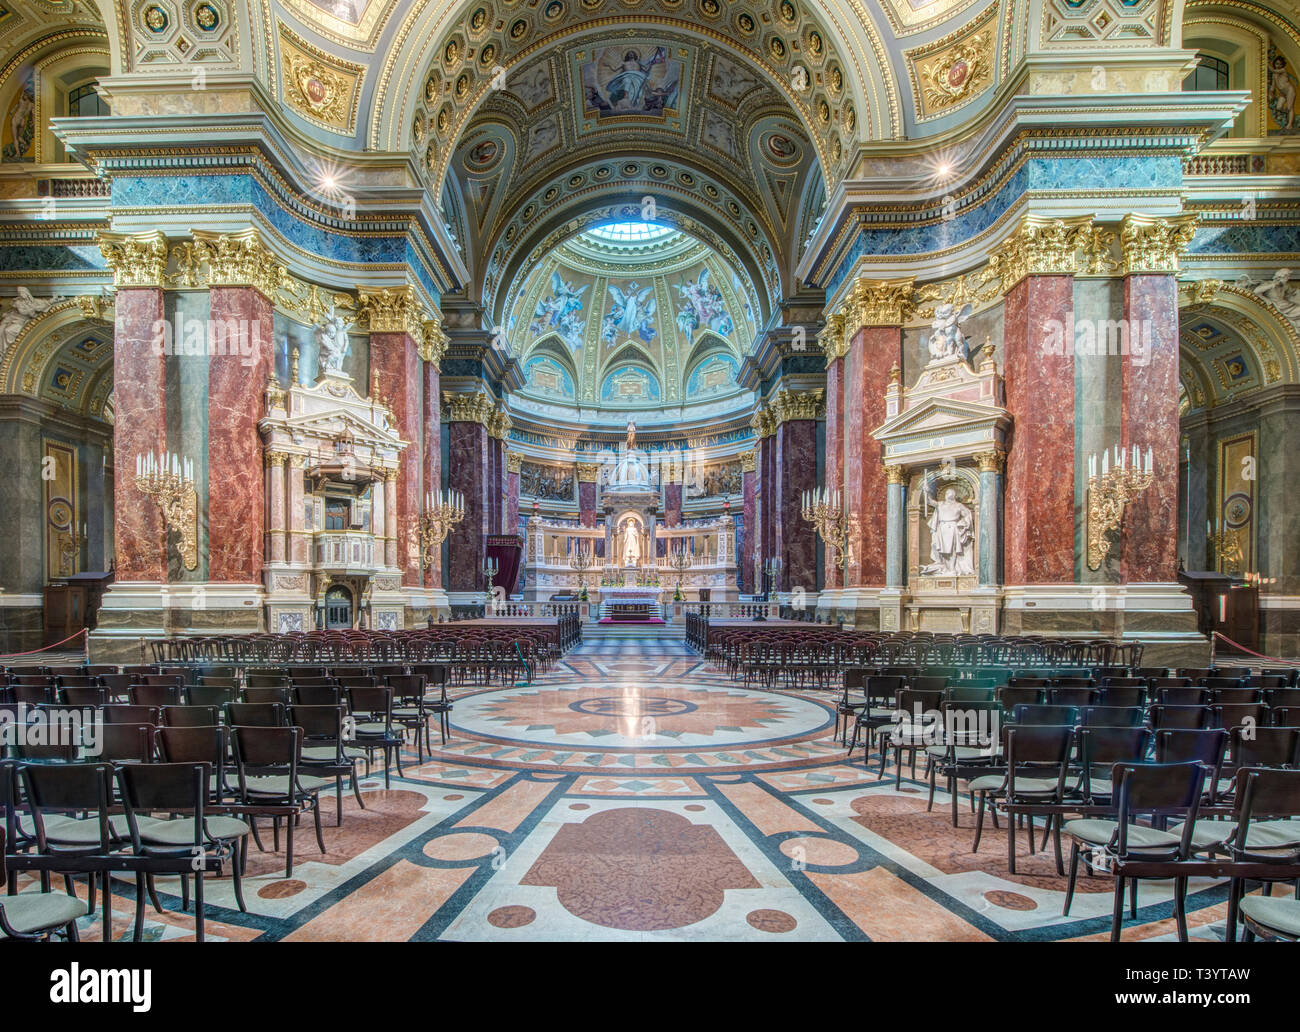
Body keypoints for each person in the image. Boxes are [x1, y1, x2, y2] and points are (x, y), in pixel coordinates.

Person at [921, 478, 975, 576]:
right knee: (940, 549)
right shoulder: (940, 504)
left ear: (954, 495)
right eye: (947, 493)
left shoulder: (959, 506)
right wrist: (926, 491)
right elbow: (929, 501)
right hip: (941, 528)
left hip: (953, 528)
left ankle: (952, 569)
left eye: (950, 493)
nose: (948, 495)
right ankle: (945, 568)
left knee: (952, 550)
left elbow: (968, 514)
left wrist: (964, 524)